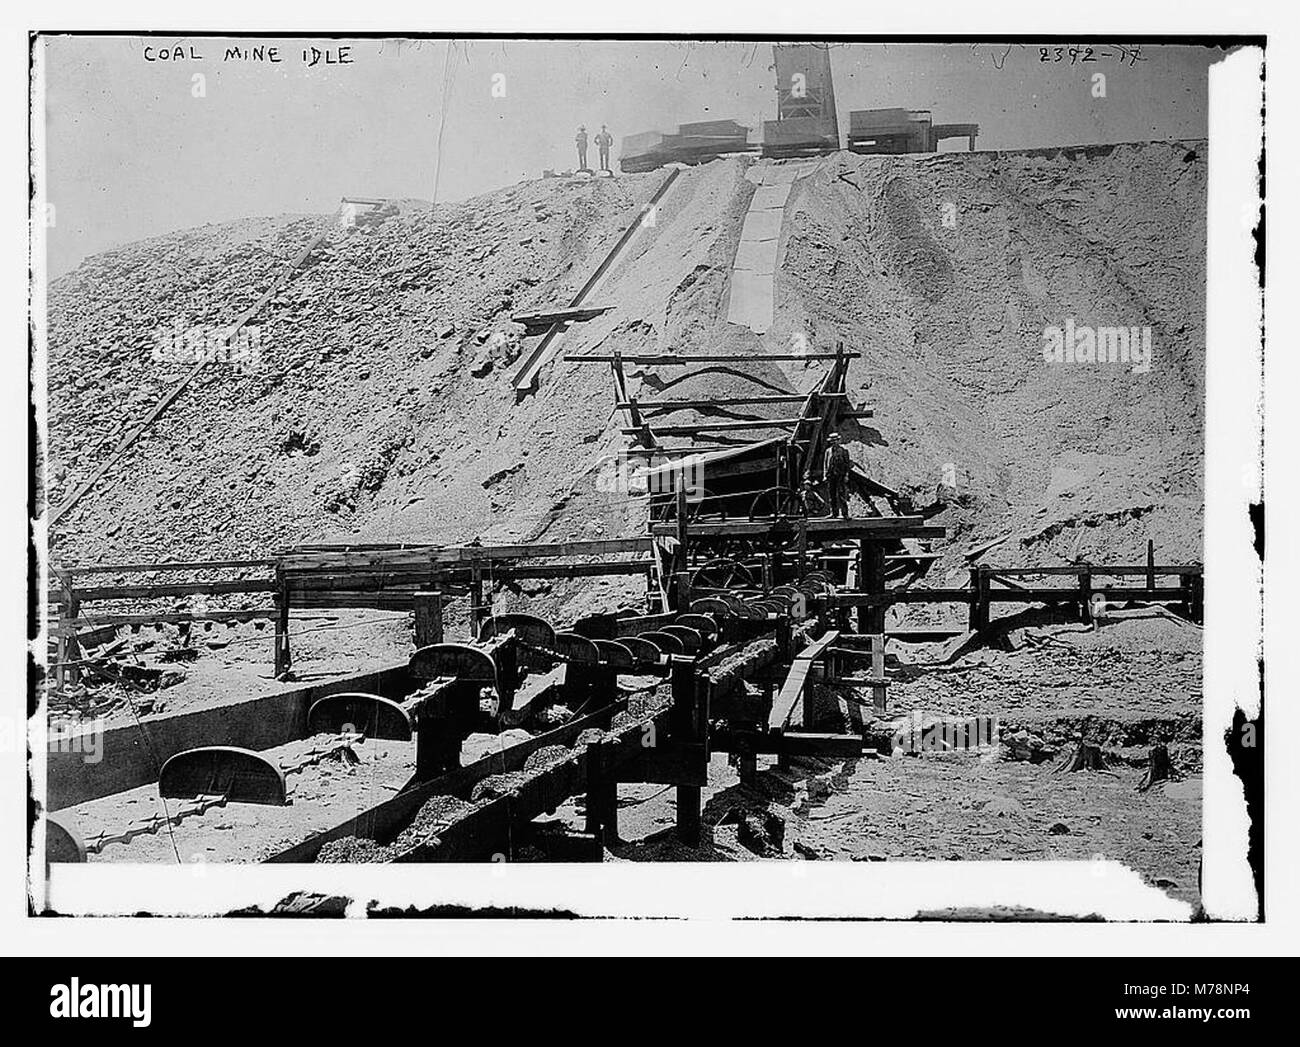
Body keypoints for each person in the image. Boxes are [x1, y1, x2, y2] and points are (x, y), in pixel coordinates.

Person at [823, 433, 851, 519]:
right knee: (832, 495)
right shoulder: (828, 451)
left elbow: (847, 465)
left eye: (836, 441)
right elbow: (825, 463)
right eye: (832, 441)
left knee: (841, 494)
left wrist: (846, 475)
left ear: (839, 441)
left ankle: (845, 514)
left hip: (840, 475)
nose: (834, 443)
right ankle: (834, 513)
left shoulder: (844, 451)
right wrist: (825, 475)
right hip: (831, 476)